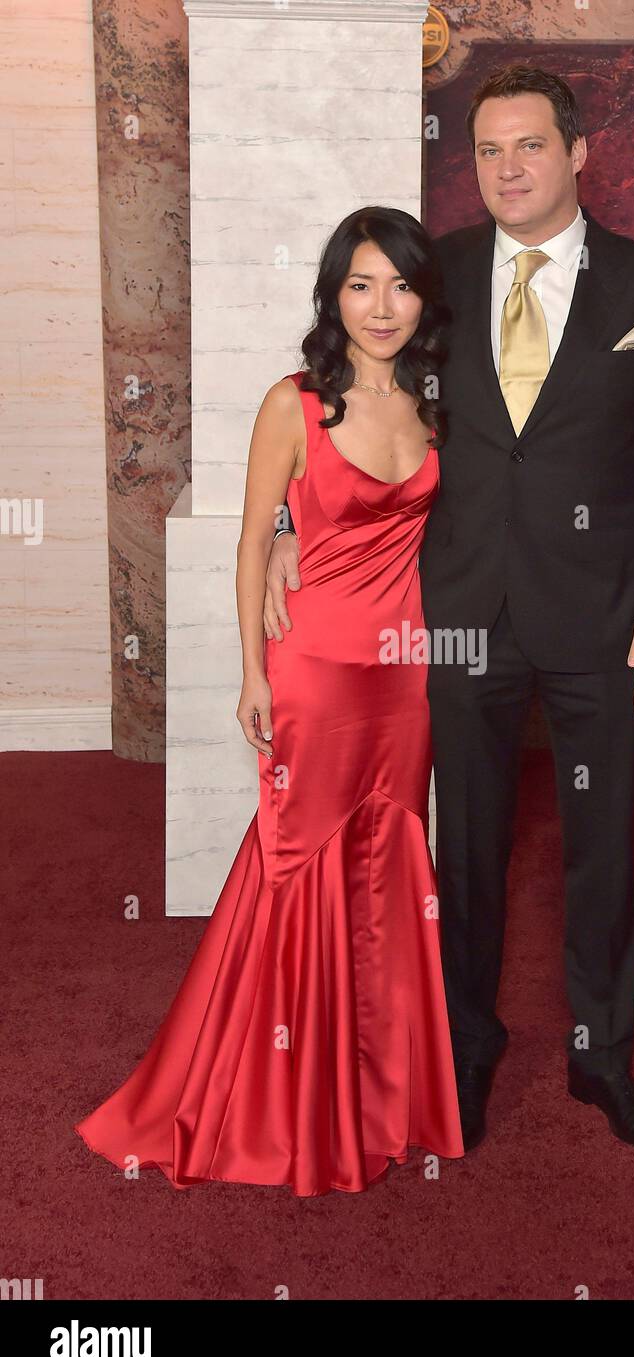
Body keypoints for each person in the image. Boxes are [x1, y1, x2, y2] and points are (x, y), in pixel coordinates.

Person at [266, 65, 634, 1156]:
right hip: (458, 609)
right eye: (485, 150)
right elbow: (349, 386)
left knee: (599, 848)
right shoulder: (443, 276)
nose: (505, 168)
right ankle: (463, 1050)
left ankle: (600, 1057)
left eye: (526, 146)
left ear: (575, 154)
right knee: (462, 852)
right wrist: (293, 517)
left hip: (607, 621)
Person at [74, 206, 464, 1194]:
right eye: (361, 285)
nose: (382, 306)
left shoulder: (437, 399)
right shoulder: (292, 403)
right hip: (315, 670)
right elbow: (253, 541)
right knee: (297, 860)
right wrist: (251, 670)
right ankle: (276, 1100)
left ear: (425, 298)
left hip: (407, 671)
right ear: (333, 296)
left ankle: (380, 1096)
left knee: (390, 861)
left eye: (401, 285)